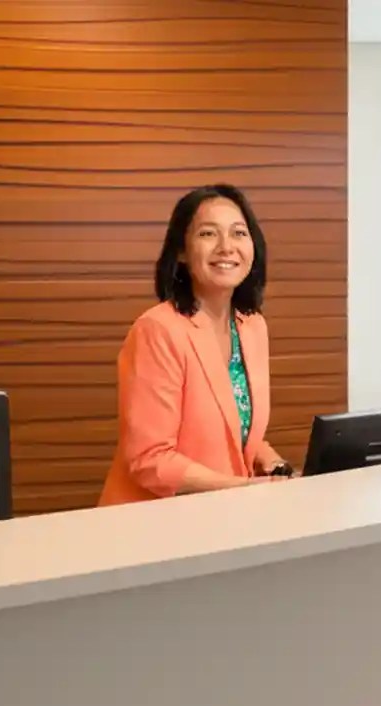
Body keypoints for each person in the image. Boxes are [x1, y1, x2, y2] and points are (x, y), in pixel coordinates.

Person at [98, 184, 294, 506]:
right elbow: (151, 459)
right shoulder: (157, 330)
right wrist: (243, 488)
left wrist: (271, 461)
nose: (226, 247)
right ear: (182, 251)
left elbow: (235, 427)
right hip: (154, 524)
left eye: (238, 233)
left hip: (222, 515)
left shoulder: (252, 326)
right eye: (208, 234)